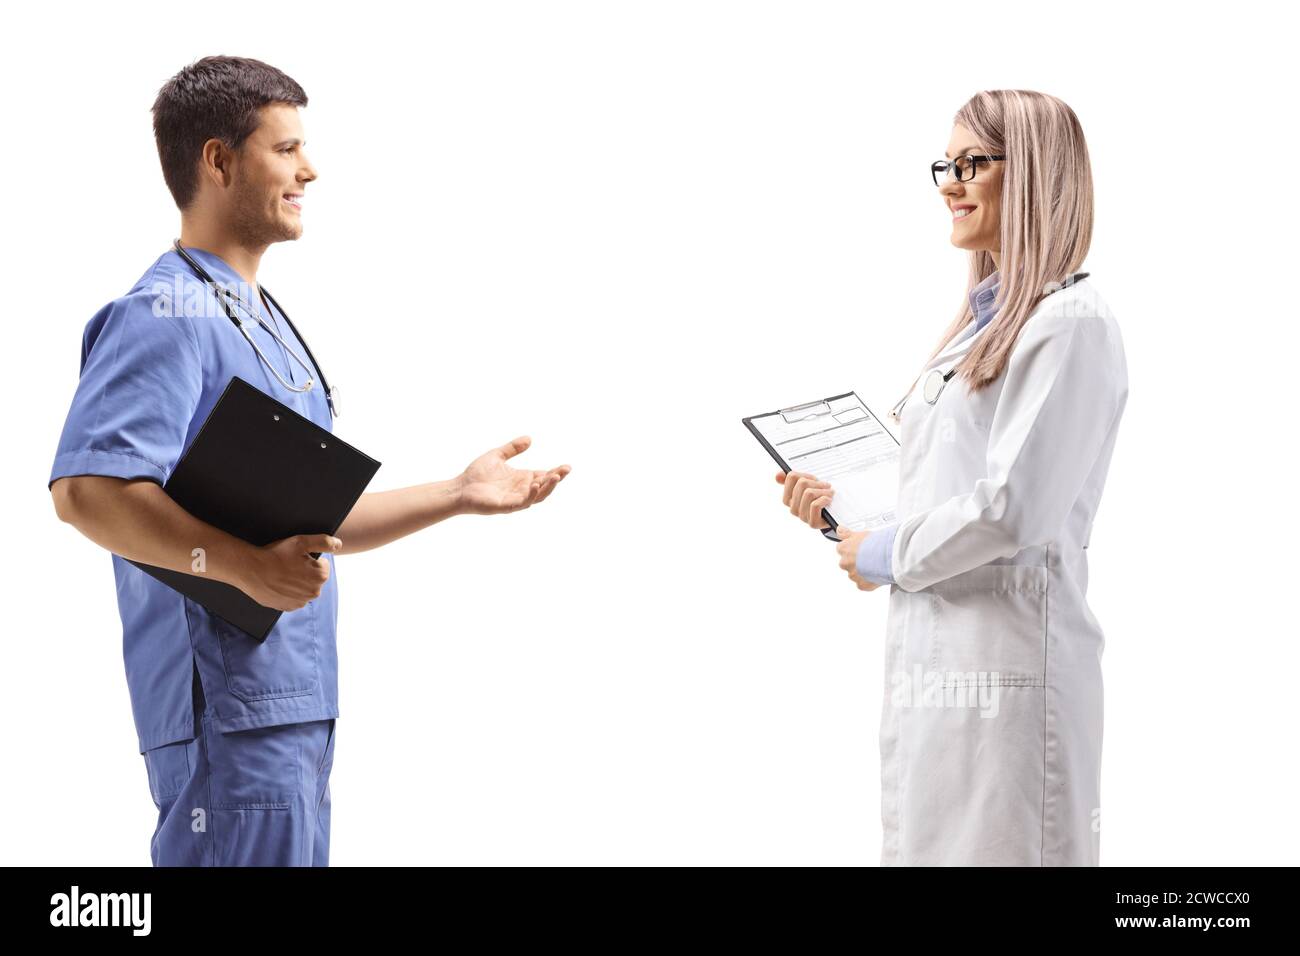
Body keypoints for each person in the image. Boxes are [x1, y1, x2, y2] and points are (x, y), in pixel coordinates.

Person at [47, 56, 570, 866]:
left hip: (289, 713)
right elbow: (87, 492)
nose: (310, 170)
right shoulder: (165, 313)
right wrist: (238, 566)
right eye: (286, 150)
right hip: (231, 722)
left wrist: (458, 494)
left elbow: (310, 522)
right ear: (218, 161)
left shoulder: (256, 318)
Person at [775, 90, 1127, 866]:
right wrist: (850, 521)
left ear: (1032, 173)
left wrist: (884, 552)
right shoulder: (986, 321)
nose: (949, 182)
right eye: (947, 163)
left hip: (1011, 681)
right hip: (947, 669)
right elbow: (950, 491)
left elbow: (1012, 510)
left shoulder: (1069, 324)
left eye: (973, 163)